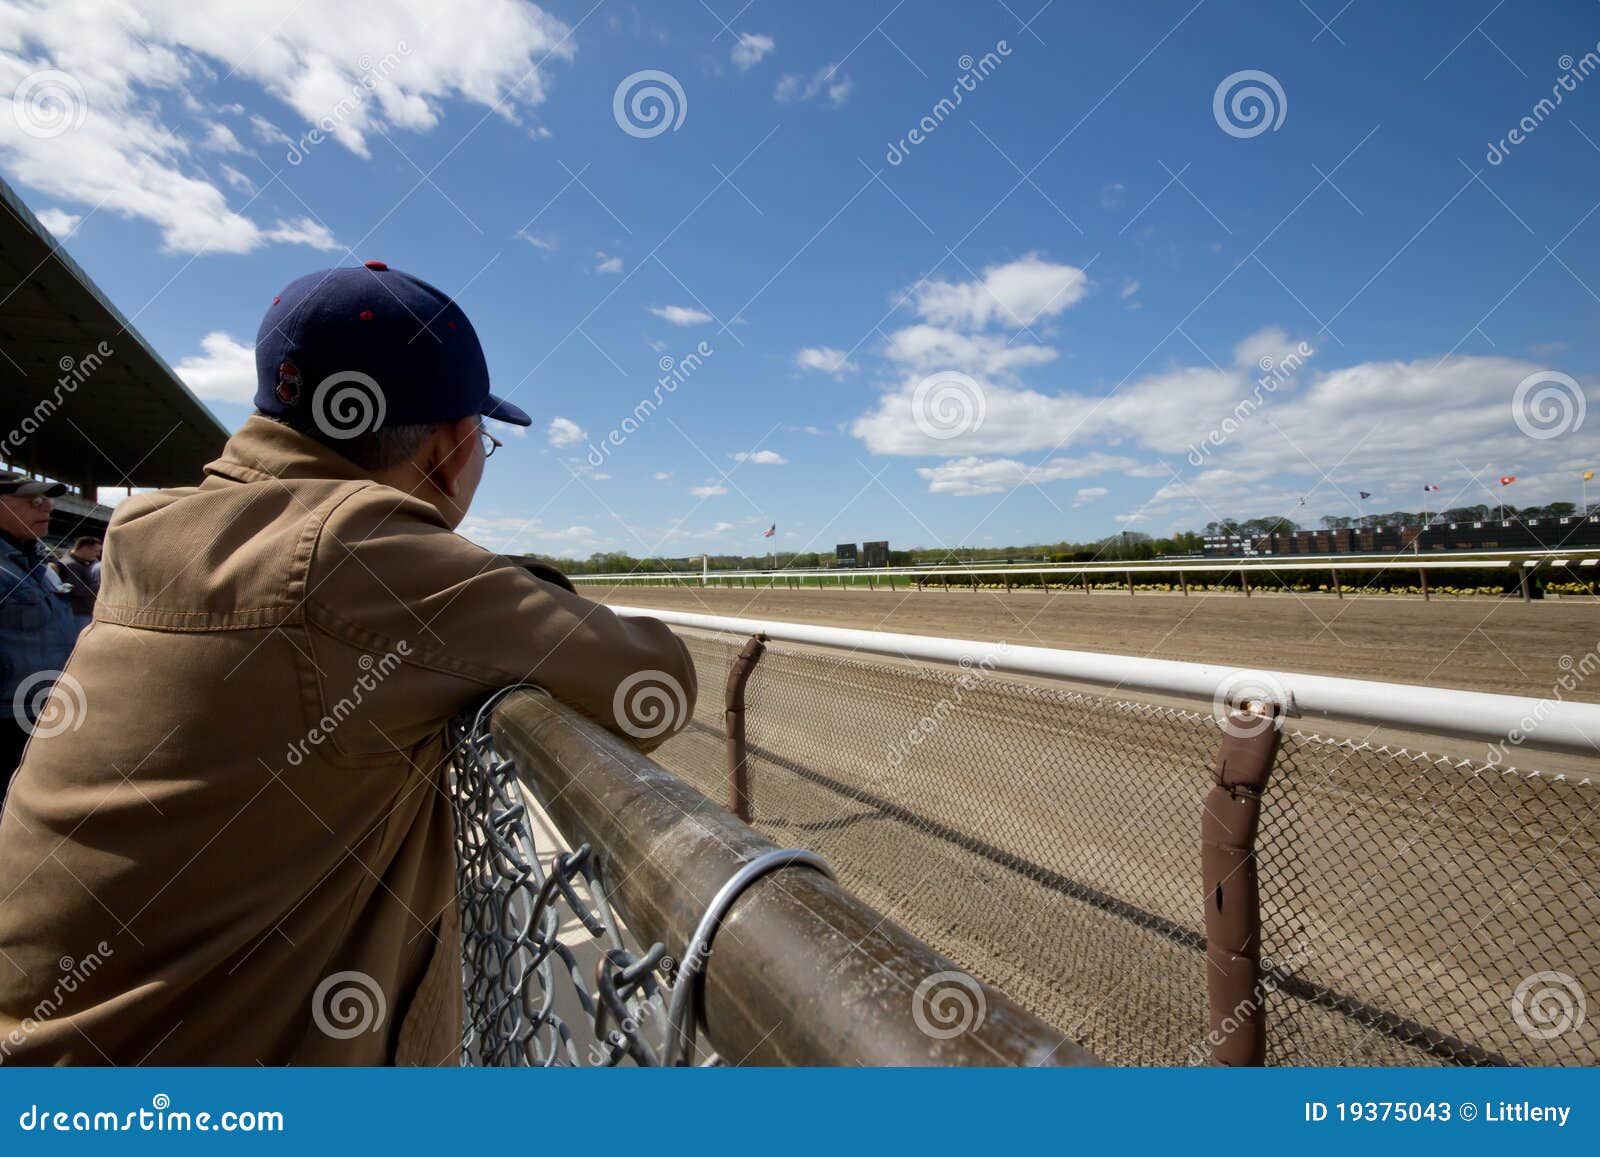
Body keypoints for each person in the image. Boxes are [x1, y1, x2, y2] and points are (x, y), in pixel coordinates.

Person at [0, 262, 697, 1065]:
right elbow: (659, 684)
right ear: (450, 449)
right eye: (486, 439)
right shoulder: (351, 555)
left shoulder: (158, 528)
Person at [0, 472, 80, 801]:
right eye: (33, 500)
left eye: (47, 499)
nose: (46, 505)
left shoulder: (42, 567)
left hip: (50, 712)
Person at [50, 535, 102, 627]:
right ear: (84, 548)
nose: (97, 554)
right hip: (77, 611)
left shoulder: (79, 562)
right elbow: (77, 590)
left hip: (78, 611)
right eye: (96, 551)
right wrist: (100, 585)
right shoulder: (71, 565)